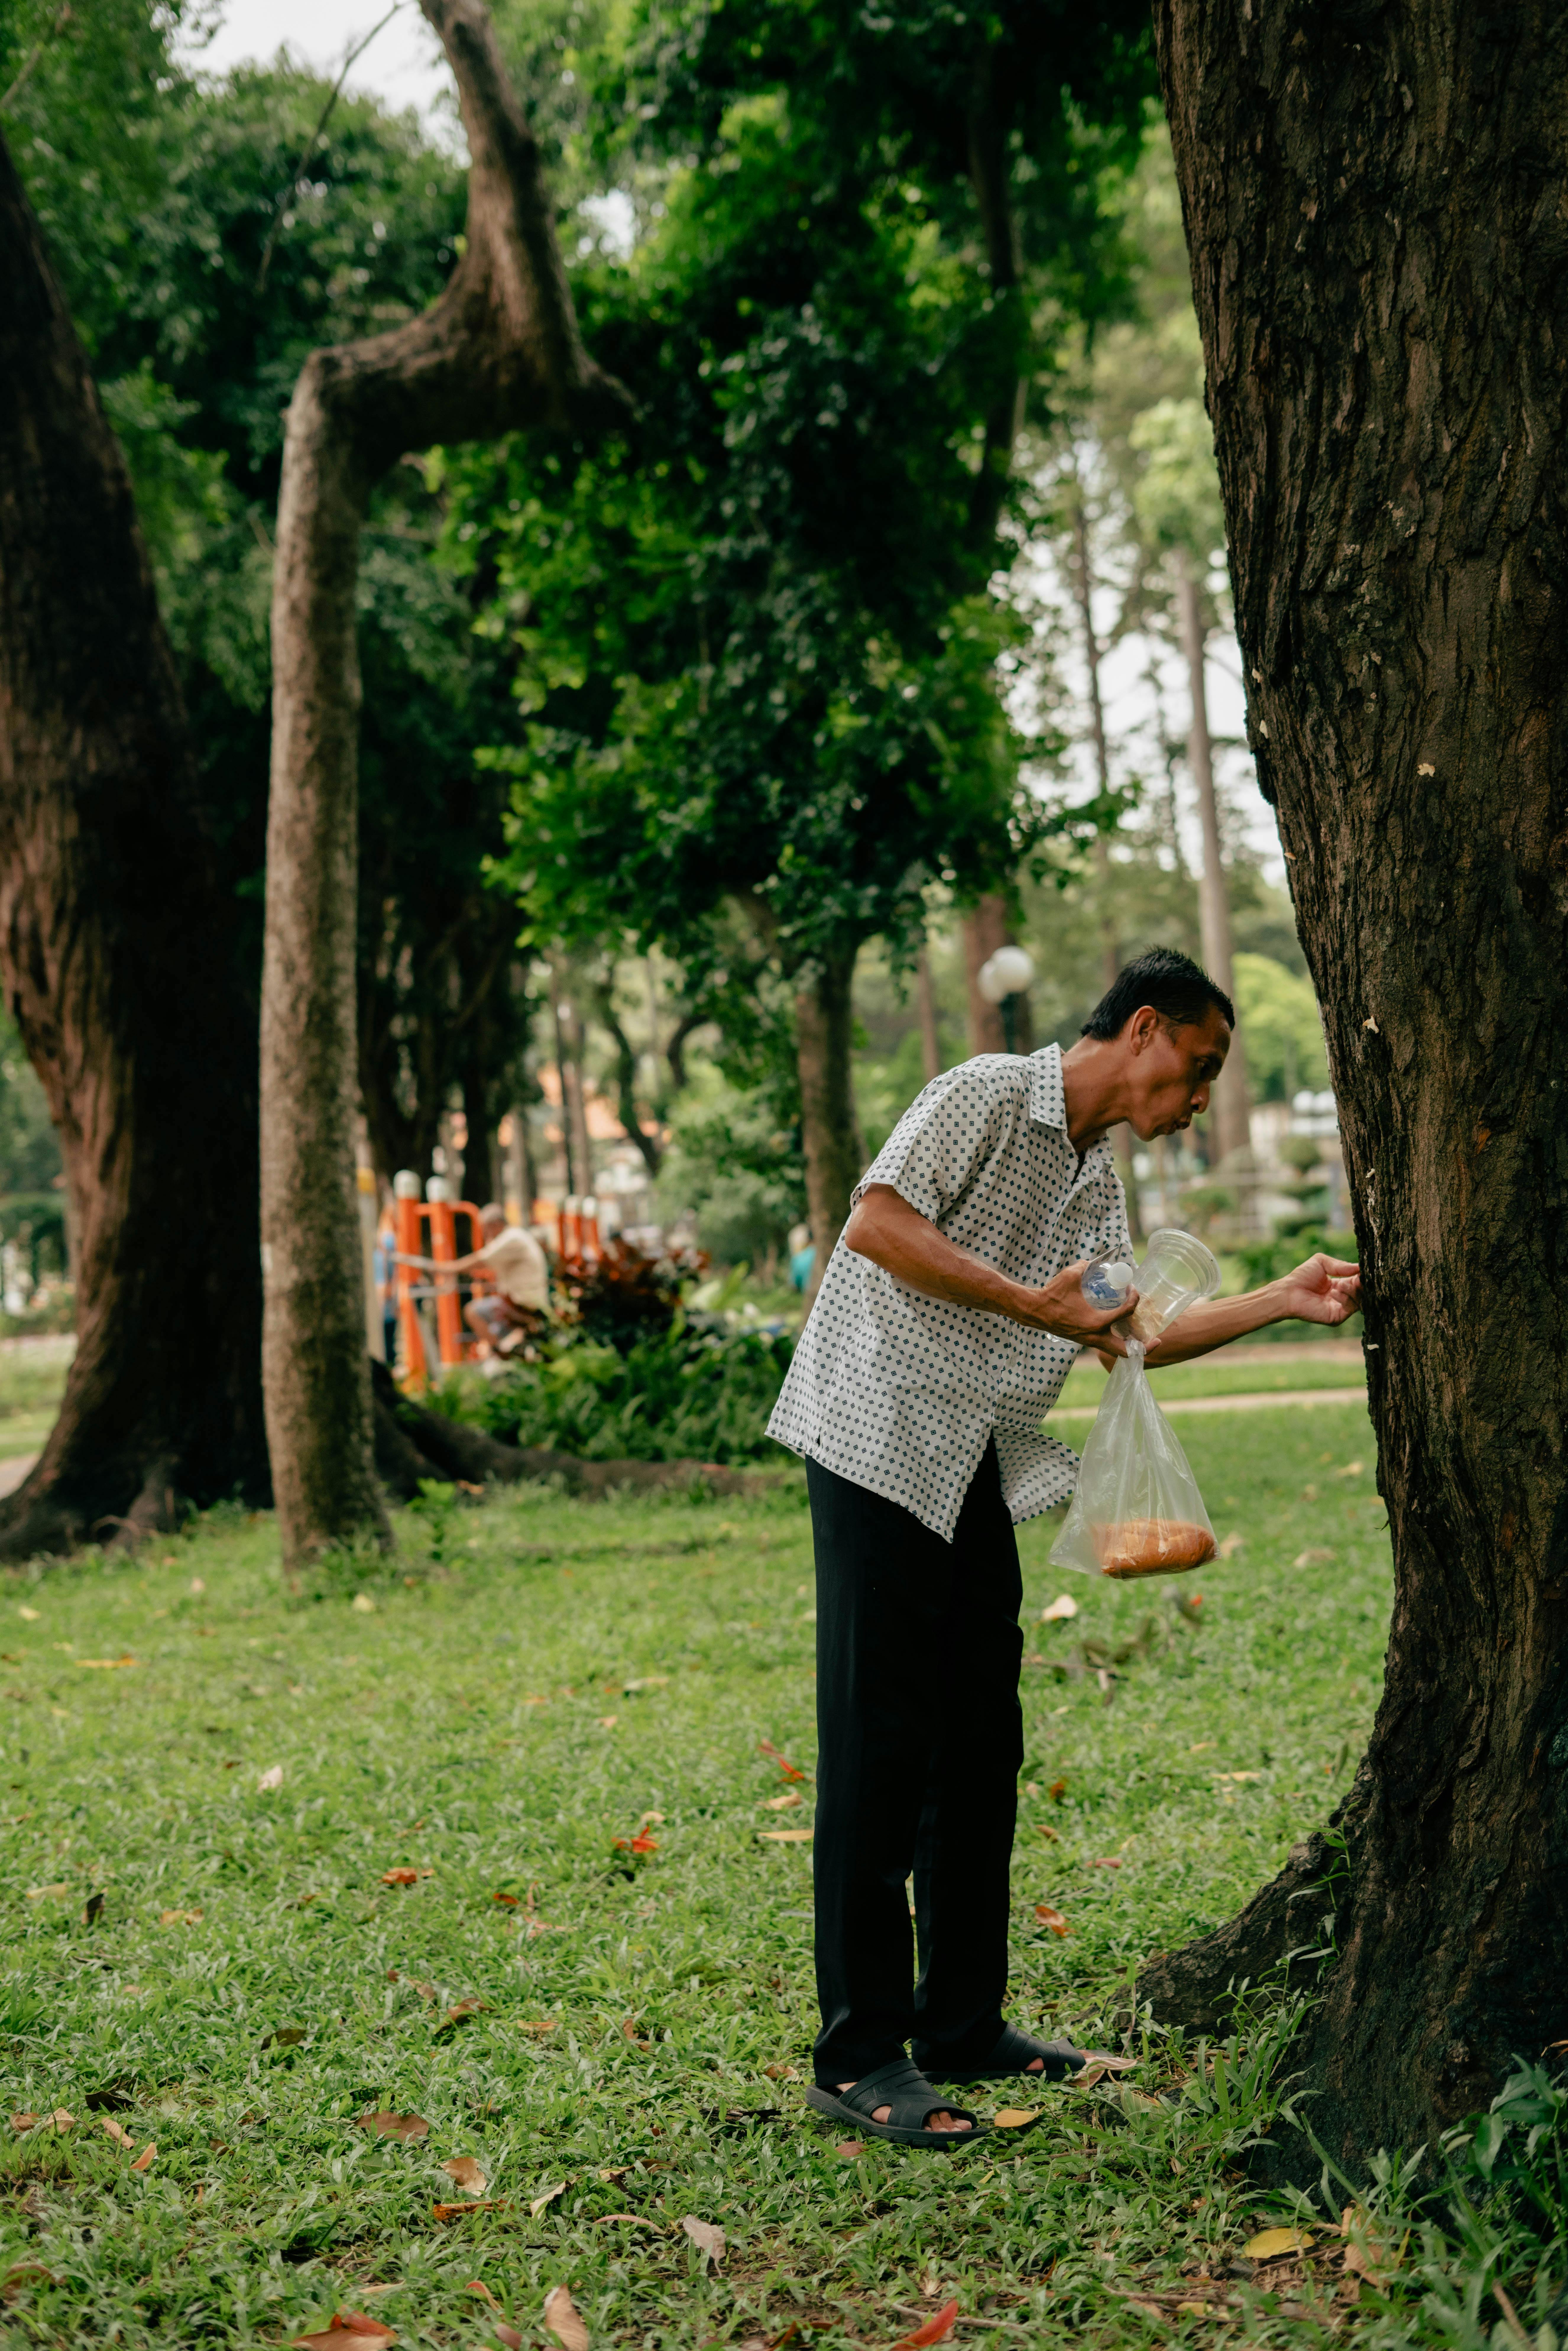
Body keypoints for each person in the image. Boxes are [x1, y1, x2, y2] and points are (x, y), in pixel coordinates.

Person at [766, 948, 1360, 2148]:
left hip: (976, 1459)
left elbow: (1124, 1329)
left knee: (980, 1738)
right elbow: (874, 1221)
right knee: (880, 1746)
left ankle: (962, 2023)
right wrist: (1029, 1303)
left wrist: (1282, 1296)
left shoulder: (1095, 1181)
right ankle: (857, 2052)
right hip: (879, 1433)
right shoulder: (984, 1092)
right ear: (1143, 1028)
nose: (1196, 1098)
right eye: (1195, 1068)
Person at [396, 1204, 551, 1360]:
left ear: (495, 1224)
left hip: (522, 1303)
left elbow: (482, 1258)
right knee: (492, 1319)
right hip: (523, 1301)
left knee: (474, 1312)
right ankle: (508, 1347)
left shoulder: (512, 1238)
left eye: (486, 1229)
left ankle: (504, 1353)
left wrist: (449, 1269)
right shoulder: (516, 1236)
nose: (485, 1234)